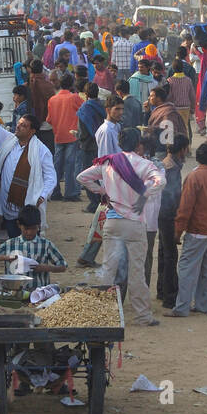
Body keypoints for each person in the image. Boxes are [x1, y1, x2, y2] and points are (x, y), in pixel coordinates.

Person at [76, 128, 166, 327]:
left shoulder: (108, 162)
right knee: (137, 272)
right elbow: (161, 181)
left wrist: (102, 192)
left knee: (109, 269)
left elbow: (82, 177)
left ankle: (103, 315)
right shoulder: (144, 164)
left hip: (112, 222)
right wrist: (145, 195)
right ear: (138, 144)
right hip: (134, 224)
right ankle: (142, 316)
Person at [0, 91, 56, 241]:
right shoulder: (9, 141)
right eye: (18, 124)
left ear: (32, 131)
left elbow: (51, 177)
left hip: (28, 209)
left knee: (29, 245)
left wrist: (43, 195)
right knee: (13, 243)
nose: (18, 127)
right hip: (8, 209)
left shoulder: (41, 151)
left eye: (23, 126)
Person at [168, 142, 207, 317]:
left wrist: (178, 231)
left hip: (196, 231)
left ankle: (181, 307)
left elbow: (185, 208)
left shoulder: (194, 177)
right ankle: (202, 305)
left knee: (187, 270)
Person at [0, 204, 67, 290]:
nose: (29, 232)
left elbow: (63, 266)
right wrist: (5, 257)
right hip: (14, 292)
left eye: (33, 228)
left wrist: (47, 268)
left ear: (39, 226)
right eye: (26, 228)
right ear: (19, 225)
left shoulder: (46, 245)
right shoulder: (10, 244)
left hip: (39, 293)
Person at [154, 134, 192, 311]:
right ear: (182, 150)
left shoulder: (167, 163)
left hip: (162, 214)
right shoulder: (172, 168)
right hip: (168, 215)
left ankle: (162, 290)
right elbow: (173, 194)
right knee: (170, 256)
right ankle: (170, 297)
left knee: (164, 253)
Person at [47, 72, 83, 202]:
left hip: (58, 135)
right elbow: (84, 111)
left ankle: (55, 192)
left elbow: (49, 119)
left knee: (57, 165)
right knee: (70, 165)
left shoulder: (52, 99)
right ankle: (70, 193)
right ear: (72, 84)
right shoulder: (74, 97)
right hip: (72, 135)